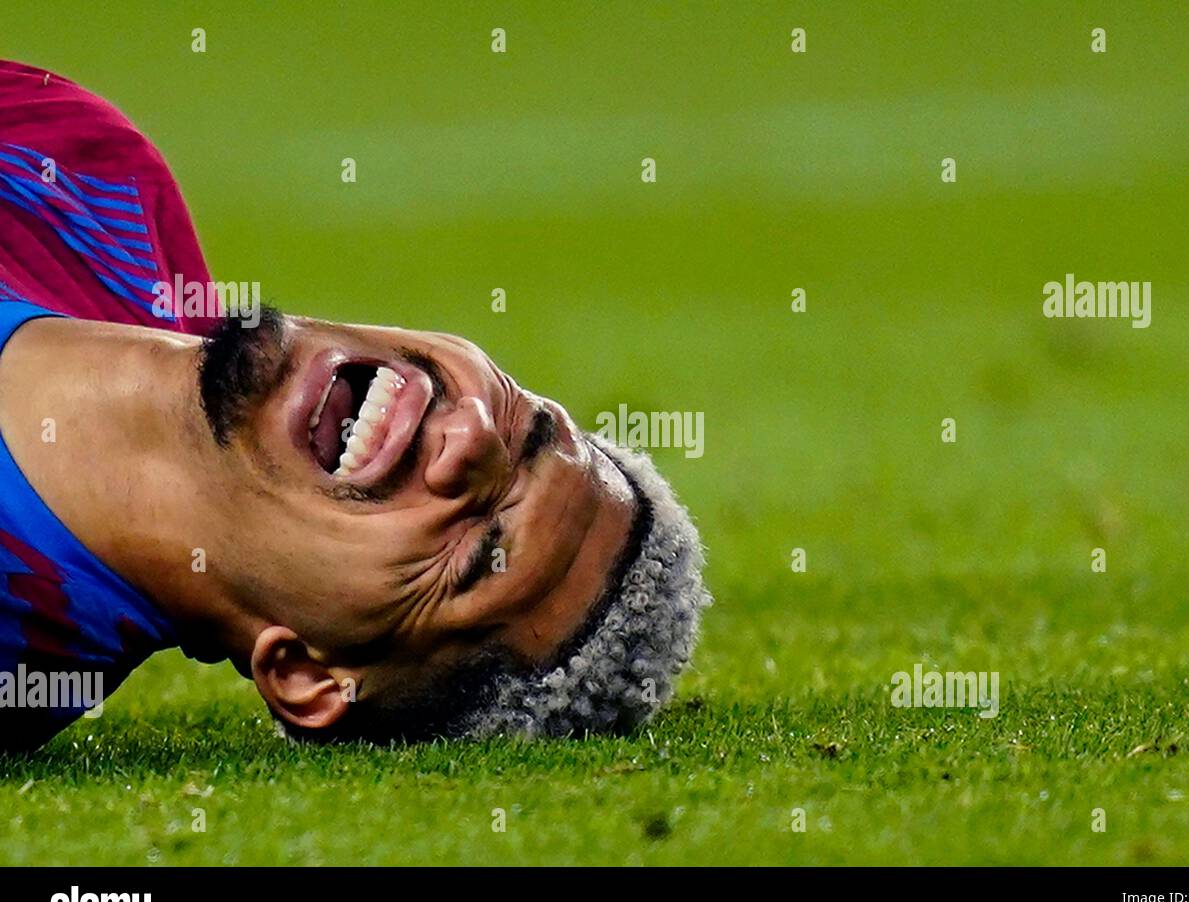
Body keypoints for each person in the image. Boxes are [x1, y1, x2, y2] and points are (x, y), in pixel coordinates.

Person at [0, 60, 708, 751]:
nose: (468, 435)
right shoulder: (82, 171)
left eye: (474, 554)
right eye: (526, 429)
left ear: (305, 674)